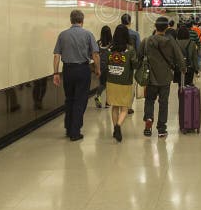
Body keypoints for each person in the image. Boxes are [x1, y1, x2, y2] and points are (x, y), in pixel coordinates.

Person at [53, 10, 100, 141]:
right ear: (82, 20)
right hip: (82, 69)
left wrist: (56, 73)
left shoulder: (62, 35)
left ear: (70, 20)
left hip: (67, 70)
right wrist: (97, 69)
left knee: (69, 99)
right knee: (80, 100)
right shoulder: (88, 34)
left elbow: (57, 55)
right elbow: (95, 54)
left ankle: (68, 127)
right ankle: (75, 131)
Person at [139, 16, 186, 138]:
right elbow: (179, 58)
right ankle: (161, 129)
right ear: (166, 27)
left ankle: (148, 121)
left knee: (149, 101)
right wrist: (183, 68)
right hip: (165, 78)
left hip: (150, 78)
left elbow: (139, 57)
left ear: (155, 26)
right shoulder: (170, 42)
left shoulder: (147, 40)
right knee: (163, 103)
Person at [106, 24, 138, 142]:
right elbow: (135, 64)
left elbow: (106, 64)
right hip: (125, 82)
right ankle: (118, 126)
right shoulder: (129, 49)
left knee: (114, 106)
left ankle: (115, 128)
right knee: (124, 108)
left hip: (111, 81)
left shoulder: (109, 49)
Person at [122, 13, 140, 115]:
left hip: (119, 61)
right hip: (131, 63)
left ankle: (120, 103)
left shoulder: (117, 32)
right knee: (130, 84)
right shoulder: (135, 34)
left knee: (120, 83)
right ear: (129, 22)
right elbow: (138, 49)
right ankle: (128, 106)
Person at [94, 25, 113, 109]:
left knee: (102, 83)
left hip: (100, 65)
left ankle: (98, 95)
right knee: (109, 84)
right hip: (109, 66)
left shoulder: (98, 43)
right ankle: (108, 102)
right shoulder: (112, 44)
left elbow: (94, 54)